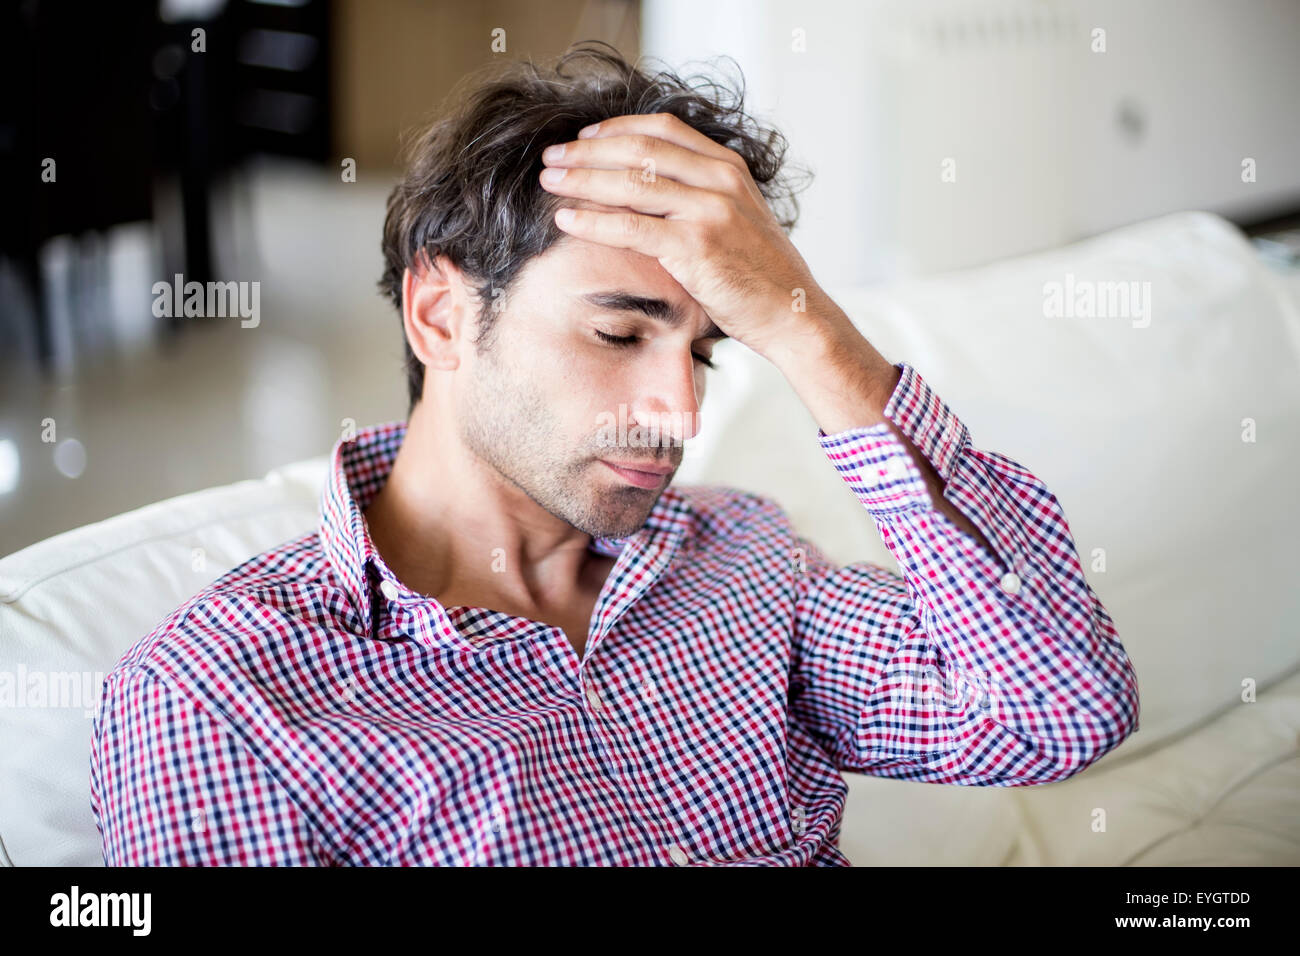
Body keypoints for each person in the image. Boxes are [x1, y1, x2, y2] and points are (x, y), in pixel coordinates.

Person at [91, 42, 1139, 866]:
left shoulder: (740, 557)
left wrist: (805, 324)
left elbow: (1058, 710)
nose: (677, 410)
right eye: (617, 331)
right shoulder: (219, 700)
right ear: (441, 314)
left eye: (706, 352)